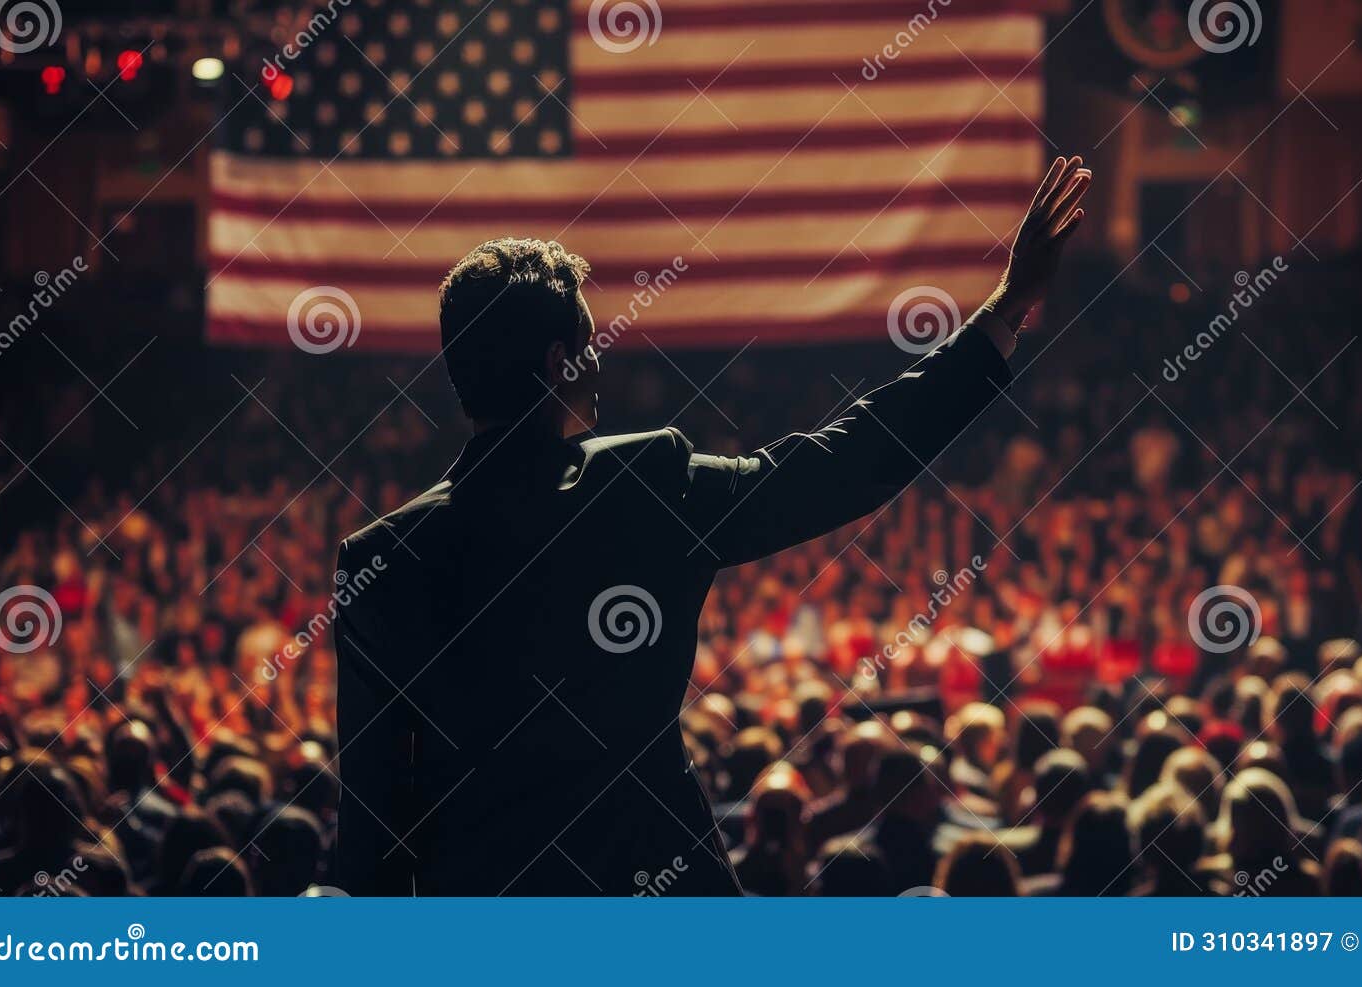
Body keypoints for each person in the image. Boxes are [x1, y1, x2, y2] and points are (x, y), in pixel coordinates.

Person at [332, 157, 1096, 895]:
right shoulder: (641, 485)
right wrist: (1003, 310)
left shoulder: (381, 561)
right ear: (562, 359)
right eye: (592, 343)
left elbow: (371, 827)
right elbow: (846, 464)